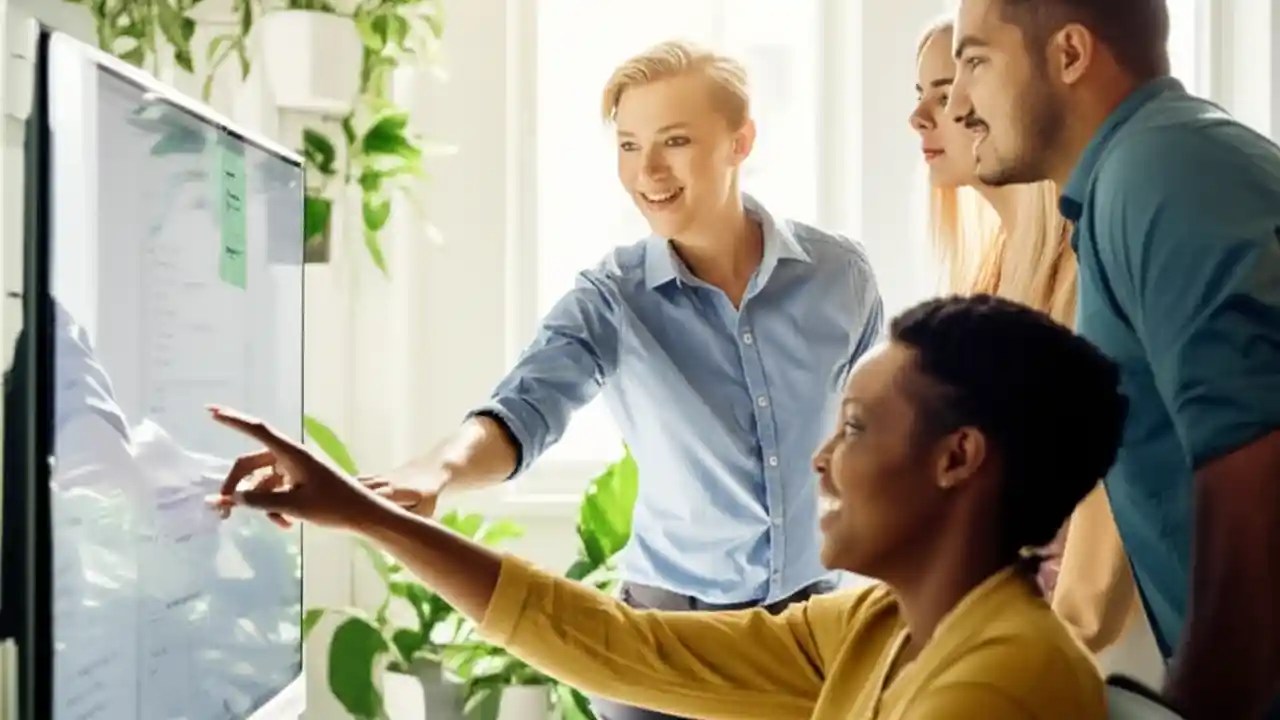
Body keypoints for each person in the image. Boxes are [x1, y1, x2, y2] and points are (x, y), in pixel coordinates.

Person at [209, 294, 1126, 719]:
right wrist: (373, 515)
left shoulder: (999, 687)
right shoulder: (879, 625)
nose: (819, 457)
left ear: (956, 460)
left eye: (852, 428)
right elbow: (625, 646)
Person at [343, 40, 881, 720]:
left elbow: (874, 439)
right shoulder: (612, 298)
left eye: (675, 141)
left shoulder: (842, 278)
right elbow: (522, 410)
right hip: (663, 638)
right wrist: (435, 472)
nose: (647, 171)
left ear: (741, 141)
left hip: (812, 630)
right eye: (628, 145)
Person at [946, 1, 1280, 717]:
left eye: (974, 61)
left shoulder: (1165, 170)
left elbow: (1260, 456)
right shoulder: (1129, 183)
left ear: (1069, 55)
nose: (957, 103)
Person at [910, 16, 1141, 656]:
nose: (925, 116)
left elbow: (1102, 550)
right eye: (921, 93)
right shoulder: (989, 278)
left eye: (946, 87)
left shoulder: (1086, 277)